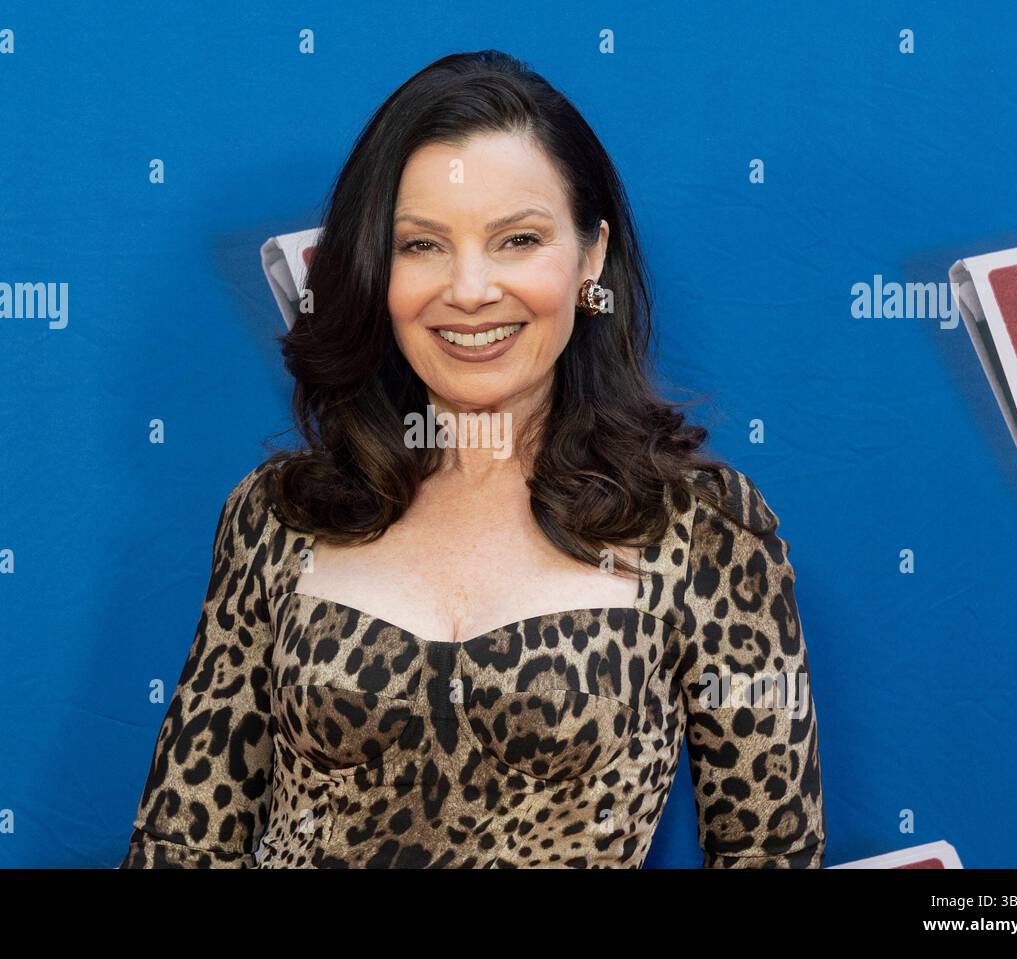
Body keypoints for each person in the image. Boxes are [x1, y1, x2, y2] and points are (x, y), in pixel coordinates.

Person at [118, 49, 826, 869]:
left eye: (517, 239)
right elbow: (182, 840)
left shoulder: (709, 527)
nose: (470, 290)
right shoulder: (280, 512)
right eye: (421, 245)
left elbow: (771, 853)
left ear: (591, 256)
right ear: (373, 266)